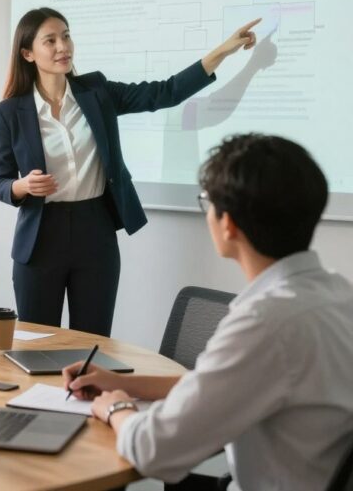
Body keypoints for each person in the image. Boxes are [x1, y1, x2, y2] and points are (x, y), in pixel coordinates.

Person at [61, 134, 353, 490]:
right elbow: (222, 384)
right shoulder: (336, 293)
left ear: (227, 223)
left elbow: (153, 449)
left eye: (206, 203)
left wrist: (115, 407)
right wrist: (123, 383)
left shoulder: (265, 322)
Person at [0, 7, 261, 336]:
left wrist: (222, 51)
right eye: (50, 40)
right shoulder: (10, 112)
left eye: (66, 35)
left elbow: (166, 92)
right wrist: (22, 186)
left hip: (96, 231)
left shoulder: (97, 91)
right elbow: (0, 181)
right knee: (36, 342)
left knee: (93, 342)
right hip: (40, 237)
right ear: (27, 53)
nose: (63, 46)